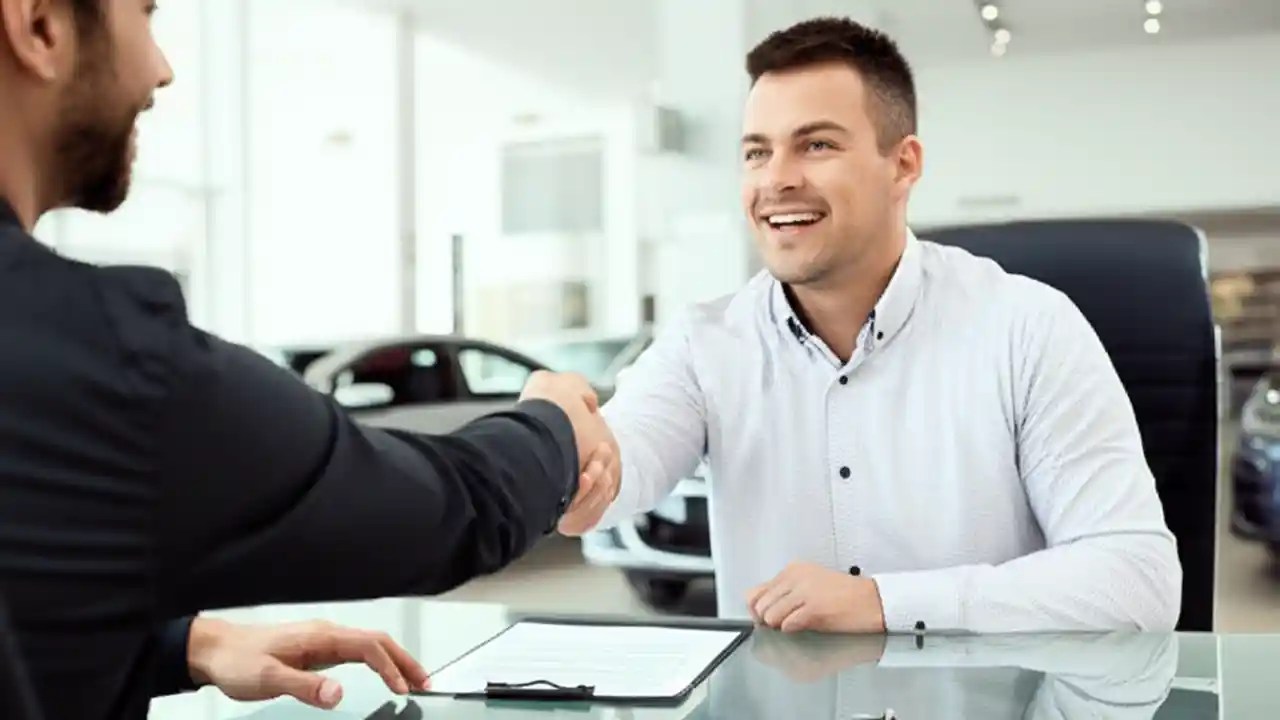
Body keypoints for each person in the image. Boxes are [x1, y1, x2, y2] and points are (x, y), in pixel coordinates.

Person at [0, 1, 619, 718]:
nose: (161, 70)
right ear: (41, 25)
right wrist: (555, 422)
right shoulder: (100, 359)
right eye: (144, 11)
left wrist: (182, 646)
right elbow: (448, 509)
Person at [557, 16, 1181, 635]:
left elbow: (1136, 580)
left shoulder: (1027, 328)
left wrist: (885, 604)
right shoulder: (705, 343)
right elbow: (620, 460)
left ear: (903, 165)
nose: (776, 179)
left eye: (817, 144)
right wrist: (565, 451)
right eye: (757, 152)